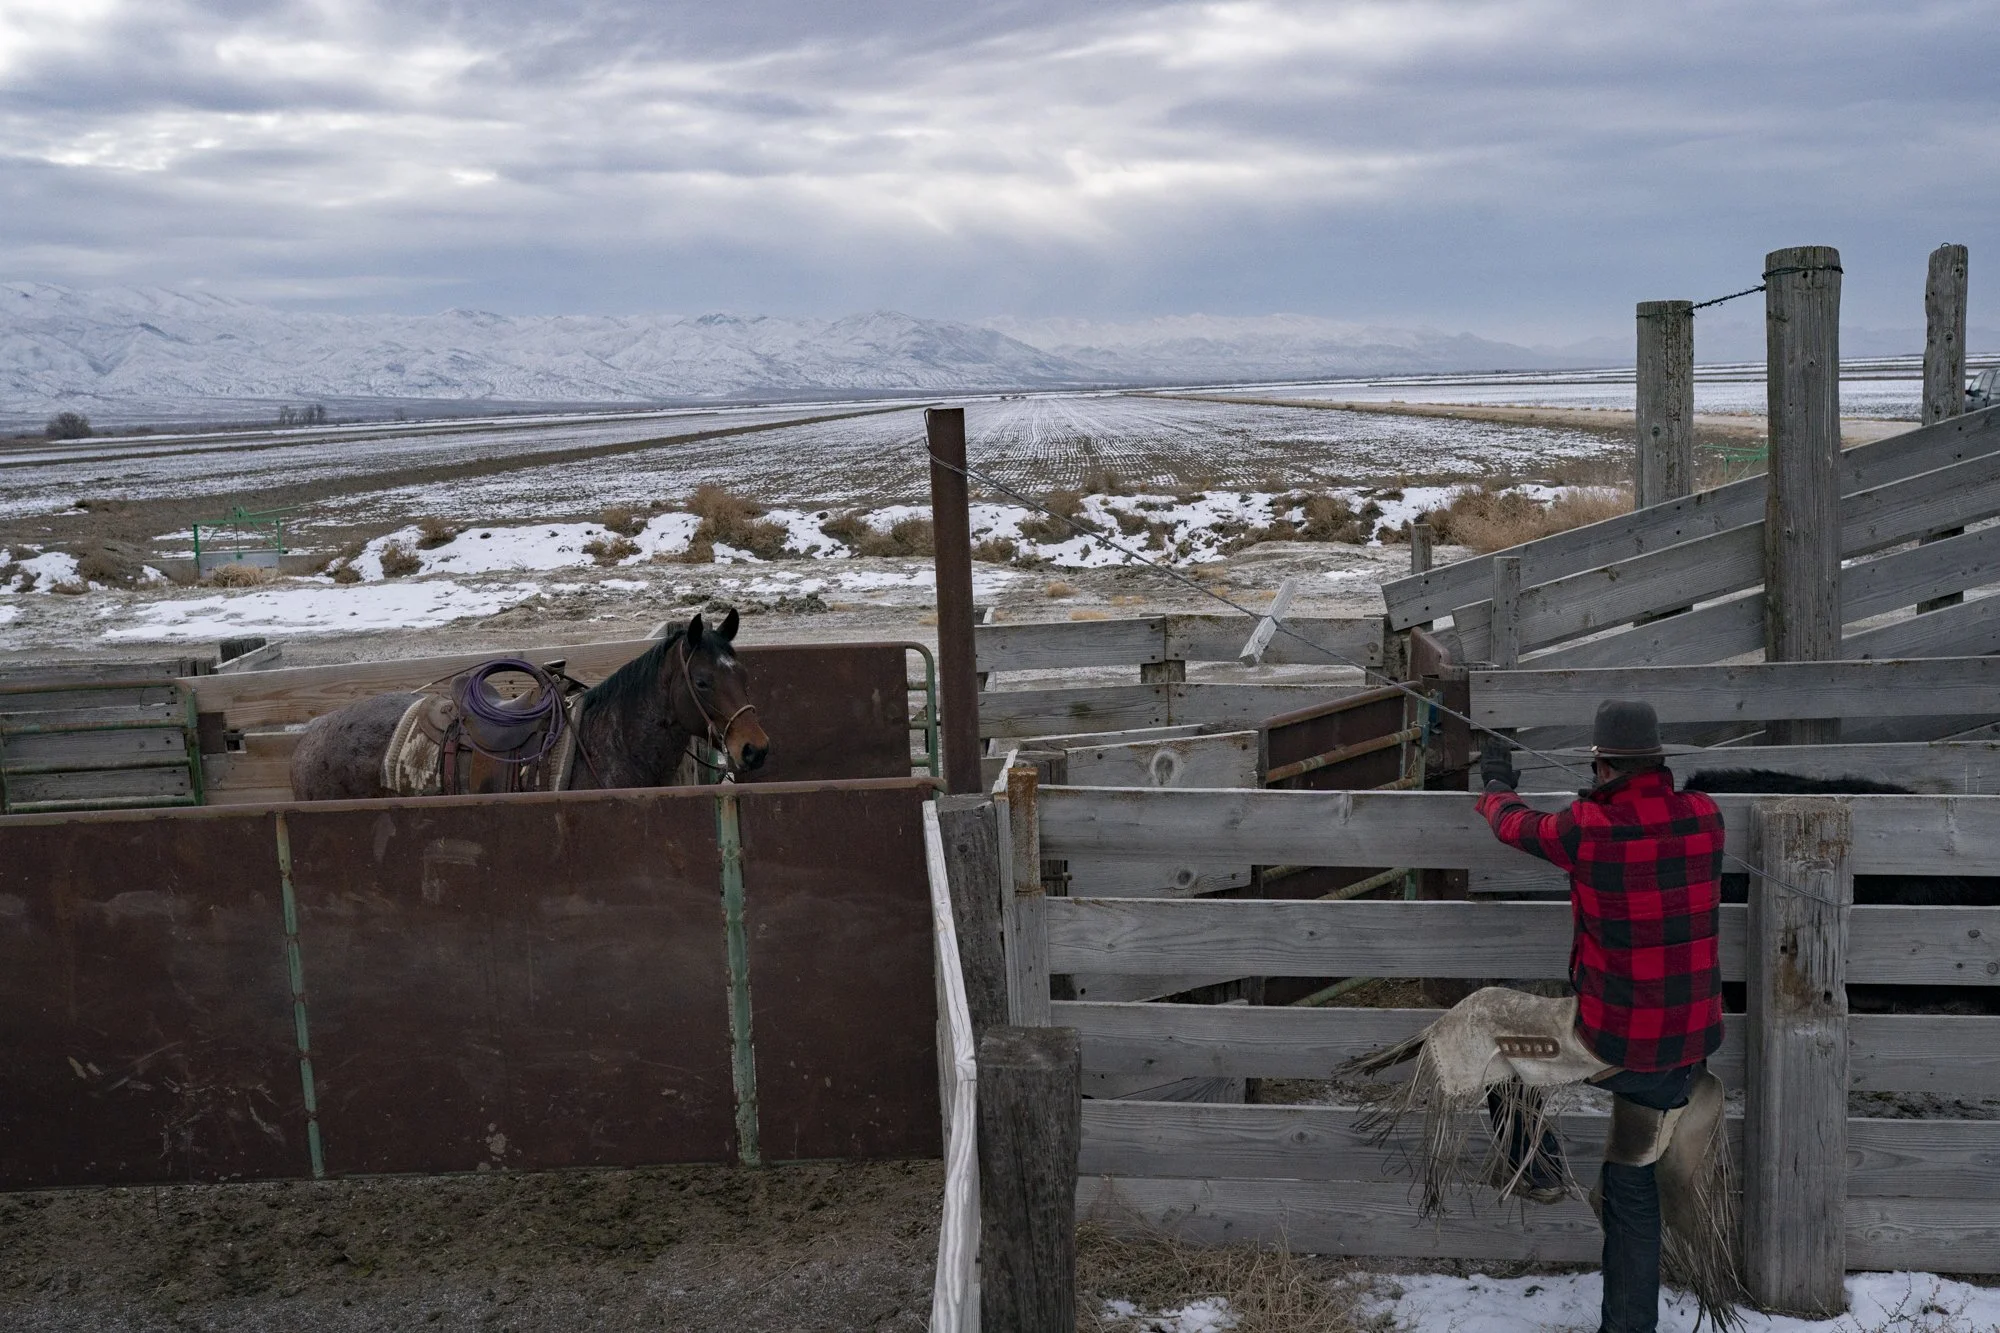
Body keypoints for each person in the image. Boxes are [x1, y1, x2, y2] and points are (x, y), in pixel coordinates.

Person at [1475, 699, 1726, 1333]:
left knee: (1495, 1041)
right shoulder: (1705, 816)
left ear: (1602, 763)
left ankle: (1538, 1168)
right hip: (1684, 1054)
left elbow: (1515, 826)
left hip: (1607, 1045)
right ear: (1659, 759)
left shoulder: (1587, 826)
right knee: (1630, 1188)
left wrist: (1497, 785)